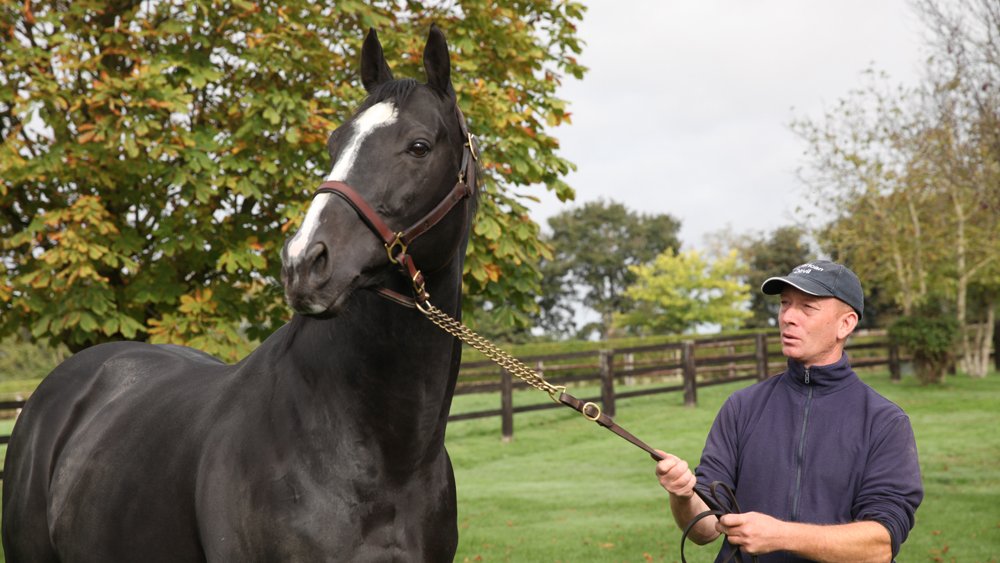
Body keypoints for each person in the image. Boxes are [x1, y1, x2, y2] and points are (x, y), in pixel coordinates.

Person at [655, 260, 922, 562]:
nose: (788, 317)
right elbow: (704, 530)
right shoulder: (742, 407)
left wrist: (780, 536)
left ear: (845, 324)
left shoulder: (884, 422)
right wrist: (683, 495)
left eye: (807, 307)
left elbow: (879, 545)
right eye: (785, 304)